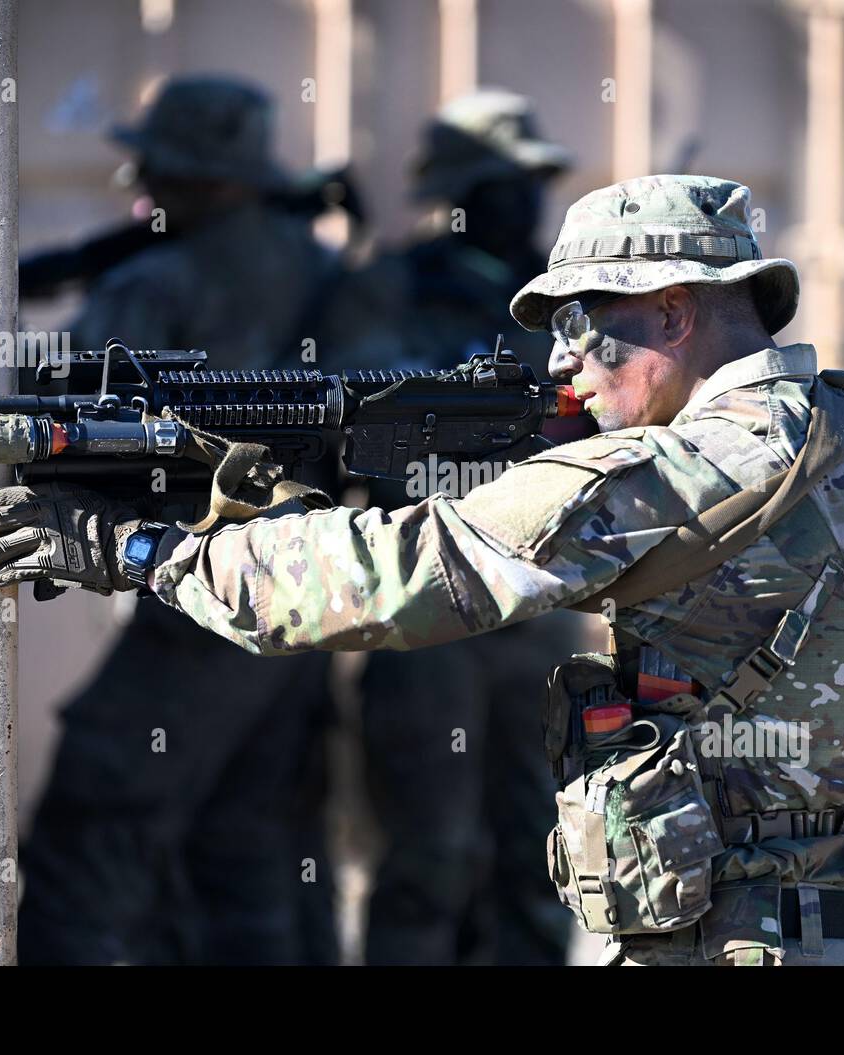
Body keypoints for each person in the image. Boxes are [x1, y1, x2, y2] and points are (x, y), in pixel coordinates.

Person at [0, 174, 844, 965]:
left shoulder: (677, 468)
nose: (562, 358)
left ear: (671, 311)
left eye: (581, 320)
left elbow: (408, 573)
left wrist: (137, 551)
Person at [17, 76, 339, 965]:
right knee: (248, 850)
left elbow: (53, 426)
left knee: (93, 832)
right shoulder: (315, 263)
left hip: (191, 589)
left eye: (157, 165)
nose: (140, 181)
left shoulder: (160, 280)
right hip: (304, 591)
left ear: (203, 177)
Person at [319, 89, 581, 965]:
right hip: (429, 605)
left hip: (541, 607)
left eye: (532, 182)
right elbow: (355, 426)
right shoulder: (390, 288)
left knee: (549, 853)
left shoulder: (567, 300)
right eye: (502, 184)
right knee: (431, 853)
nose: (525, 201)